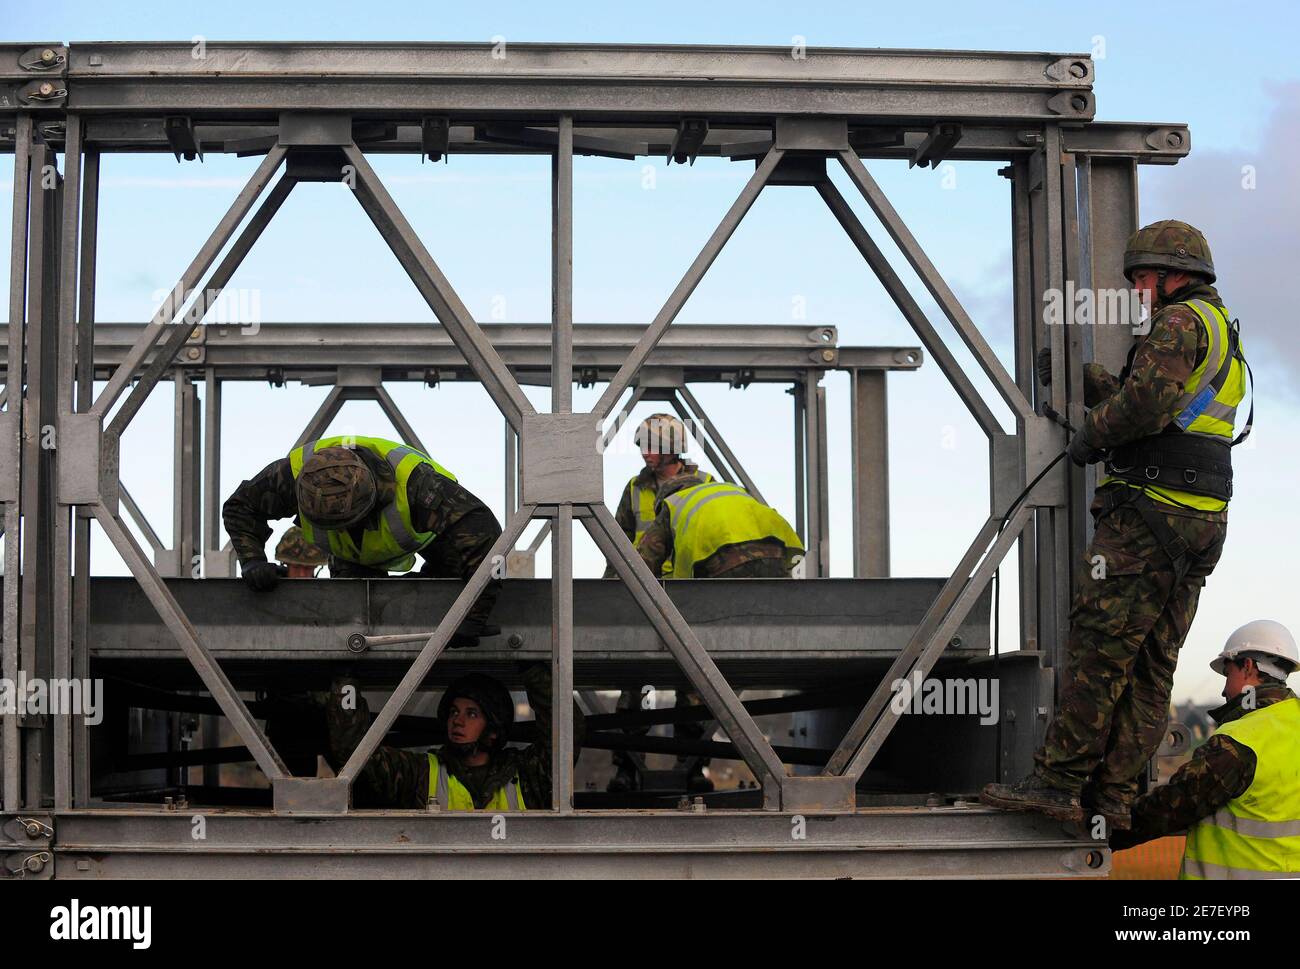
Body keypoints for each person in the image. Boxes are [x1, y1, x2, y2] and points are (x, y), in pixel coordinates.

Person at [983, 221, 1252, 830]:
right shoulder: (1221, 329)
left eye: (1141, 279)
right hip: (1202, 520)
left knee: (1102, 651)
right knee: (1153, 666)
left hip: (1149, 515)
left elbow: (1145, 408)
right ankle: (1114, 799)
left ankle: (1057, 783)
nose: (1136, 292)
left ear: (1172, 276)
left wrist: (1089, 437)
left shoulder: (1180, 323)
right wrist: (1087, 383)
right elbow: (1171, 408)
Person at [223, 435, 503, 648]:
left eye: (349, 524)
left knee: (448, 579)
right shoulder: (293, 478)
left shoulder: (420, 486)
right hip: (349, 559)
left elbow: (483, 532)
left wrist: (474, 615)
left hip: (434, 543)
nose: (344, 529)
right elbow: (241, 506)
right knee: (352, 628)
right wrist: (252, 560)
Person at [1110, 620, 1299, 879]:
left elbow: (1174, 805)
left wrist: (1102, 831)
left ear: (1247, 667)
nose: (1223, 690)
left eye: (1227, 673)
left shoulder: (1241, 740)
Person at [605, 413, 715, 792]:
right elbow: (617, 544)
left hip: (689, 596)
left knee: (694, 685)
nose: (645, 453)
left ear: (672, 449)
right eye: (643, 445)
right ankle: (626, 767)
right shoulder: (635, 489)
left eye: (652, 446)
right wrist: (605, 596)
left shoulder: (704, 486)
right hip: (641, 595)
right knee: (632, 683)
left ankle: (694, 767)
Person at [318, 664, 583, 810]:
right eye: (454, 712)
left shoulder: (528, 776)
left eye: (471, 714)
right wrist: (346, 678)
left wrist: (532, 670)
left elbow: (567, 730)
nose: (457, 720)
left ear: (493, 729)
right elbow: (353, 751)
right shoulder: (420, 774)